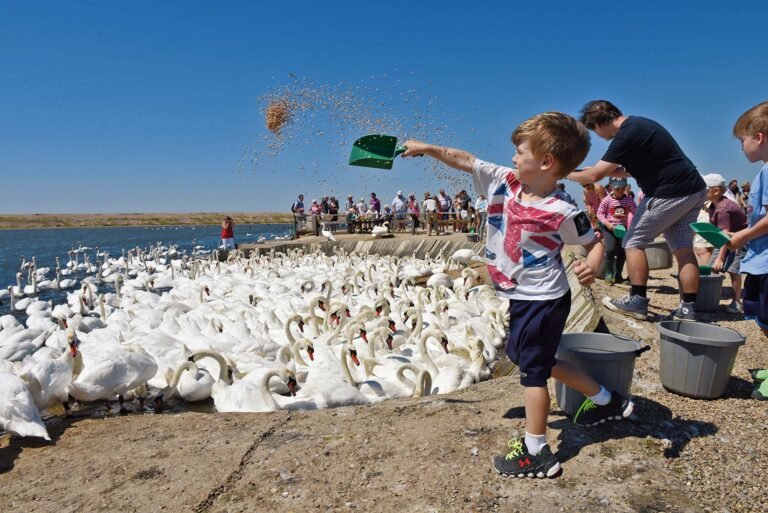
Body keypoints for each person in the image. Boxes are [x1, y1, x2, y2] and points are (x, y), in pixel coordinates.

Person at [402, 111, 632, 479]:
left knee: (533, 375)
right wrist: (428, 149)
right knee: (529, 357)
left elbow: (596, 241)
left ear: (545, 162)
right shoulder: (504, 181)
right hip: (521, 295)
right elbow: (465, 160)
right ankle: (604, 399)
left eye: (519, 151)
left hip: (543, 298)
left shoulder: (563, 210)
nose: (512, 157)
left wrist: (593, 264)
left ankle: (537, 451)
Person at [569, 100, 707, 321]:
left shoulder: (626, 134)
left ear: (598, 122)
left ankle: (637, 301)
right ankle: (688, 308)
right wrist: (593, 171)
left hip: (670, 192)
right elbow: (630, 172)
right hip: (694, 190)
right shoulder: (640, 126)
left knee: (632, 242)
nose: (599, 136)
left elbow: (594, 176)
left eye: (594, 130)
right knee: (683, 248)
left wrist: (565, 173)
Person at [728, 102, 768, 401]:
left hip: (766, 261)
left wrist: (742, 235)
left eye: (742, 140)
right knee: (760, 317)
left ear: (760, 137)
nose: (741, 147)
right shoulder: (762, 173)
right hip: (758, 259)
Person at [702, 173, 748, 314]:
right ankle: (710, 297)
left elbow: (724, 234)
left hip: (739, 239)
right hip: (726, 239)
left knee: (733, 270)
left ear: (715, 191)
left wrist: (721, 258)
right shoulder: (712, 206)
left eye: (704, 189)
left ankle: (736, 302)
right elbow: (718, 232)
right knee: (712, 268)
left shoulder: (723, 208)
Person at [597, 177, 637, 284]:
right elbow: (600, 213)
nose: (620, 190)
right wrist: (607, 223)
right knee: (610, 249)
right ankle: (609, 272)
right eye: (617, 188)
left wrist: (633, 223)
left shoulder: (628, 199)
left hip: (621, 229)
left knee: (622, 252)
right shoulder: (607, 200)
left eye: (622, 188)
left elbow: (635, 211)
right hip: (609, 228)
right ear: (611, 187)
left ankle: (618, 275)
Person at [693, 201, 715, 266]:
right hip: (699, 208)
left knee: (703, 249)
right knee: (699, 249)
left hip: (707, 210)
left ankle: (706, 274)